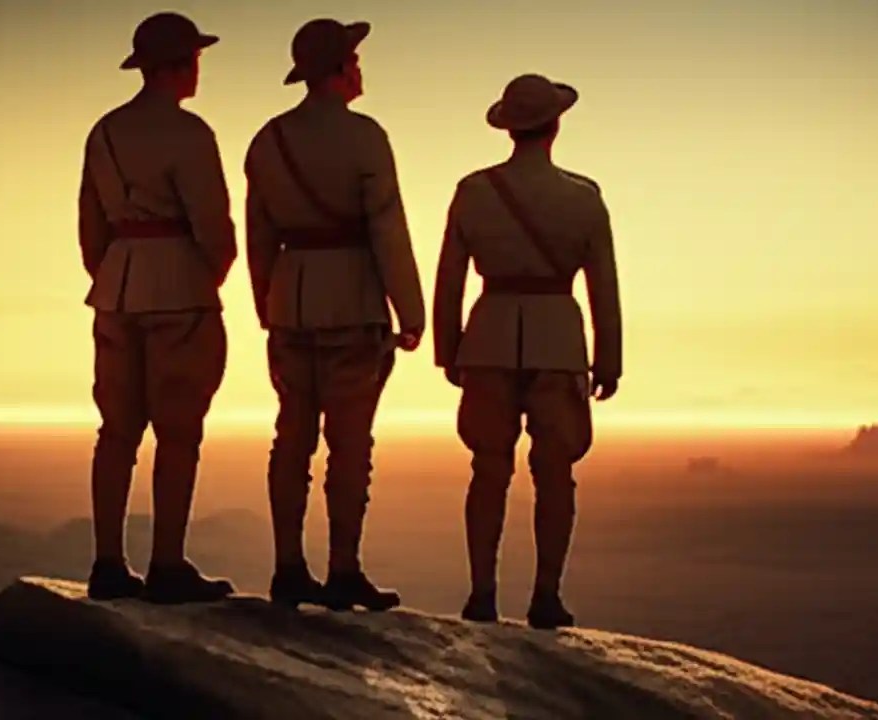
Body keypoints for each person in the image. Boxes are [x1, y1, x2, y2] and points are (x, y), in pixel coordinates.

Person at [244, 18, 426, 612]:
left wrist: (267, 305)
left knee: (291, 437)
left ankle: (287, 567)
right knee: (350, 446)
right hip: (352, 303)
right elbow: (388, 229)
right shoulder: (367, 138)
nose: (361, 68)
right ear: (342, 68)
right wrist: (411, 308)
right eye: (355, 58)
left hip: (290, 304)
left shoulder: (266, 141)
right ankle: (343, 570)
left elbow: (259, 236)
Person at [432, 74, 623, 629]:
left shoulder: (473, 191)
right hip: (559, 339)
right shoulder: (583, 197)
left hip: (489, 335)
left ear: (509, 128)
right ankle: (546, 596)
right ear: (555, 125)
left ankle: (481, 593)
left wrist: (450, 348)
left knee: (487, 469)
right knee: (556, 472)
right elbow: (603, 284)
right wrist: (608, 358)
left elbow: (449, 277)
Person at [78, 12, 237, 604]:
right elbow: (215, 229)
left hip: (117, 287)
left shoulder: (105, 132)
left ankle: (107, 563)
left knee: (116, 431)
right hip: (179, 290)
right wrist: (204, 281)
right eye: (194, 58)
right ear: (179, 65)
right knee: (178, 433)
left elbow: (89, 226)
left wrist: (114, 274)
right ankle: (167, 563)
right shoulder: (191, 134)